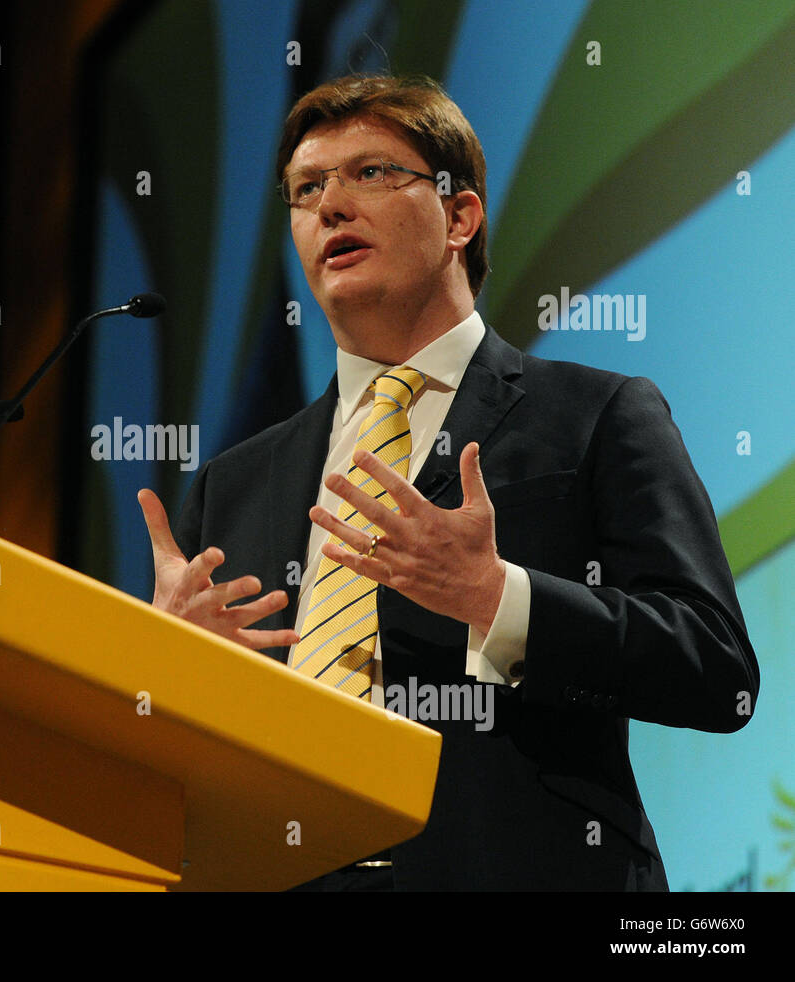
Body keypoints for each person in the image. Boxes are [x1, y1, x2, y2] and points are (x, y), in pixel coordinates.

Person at [136, 74, 758, 891]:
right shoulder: (234, 484)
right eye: (307, 188)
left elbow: (716, 671)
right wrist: (171, 679)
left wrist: (498, 598)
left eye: (370, 173)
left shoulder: (597, 414)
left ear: (459, 215)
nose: (330, 205)